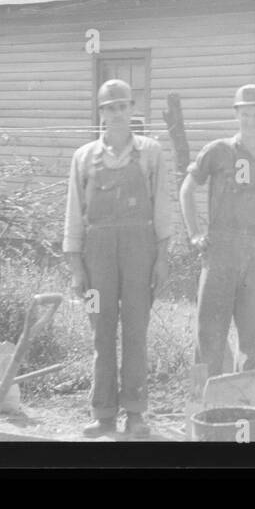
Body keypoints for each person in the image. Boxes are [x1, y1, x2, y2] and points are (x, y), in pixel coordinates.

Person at [63, 79, 173, 439]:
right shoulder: (83, 157)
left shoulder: (152, 153)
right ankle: (103, 414)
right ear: (101, 112)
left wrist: (162, 257)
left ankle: (136, 414)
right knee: (101, 332)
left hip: (140, 251)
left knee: (136, 331)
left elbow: (162, 207)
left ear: (132, 109)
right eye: (110, 107)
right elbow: (74, 215)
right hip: (96, 257)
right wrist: (77, 267)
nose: (117, 113)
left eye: (123, 106)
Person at [180, 84, 255, 376]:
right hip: (220, 251)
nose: (250, 121)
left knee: (250, 333)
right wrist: (195, 233)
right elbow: (187, 190)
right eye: (245, 114)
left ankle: (243, 400)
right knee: (209, 329)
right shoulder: (218, 152)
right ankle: (205, 400)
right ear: (237, 115)